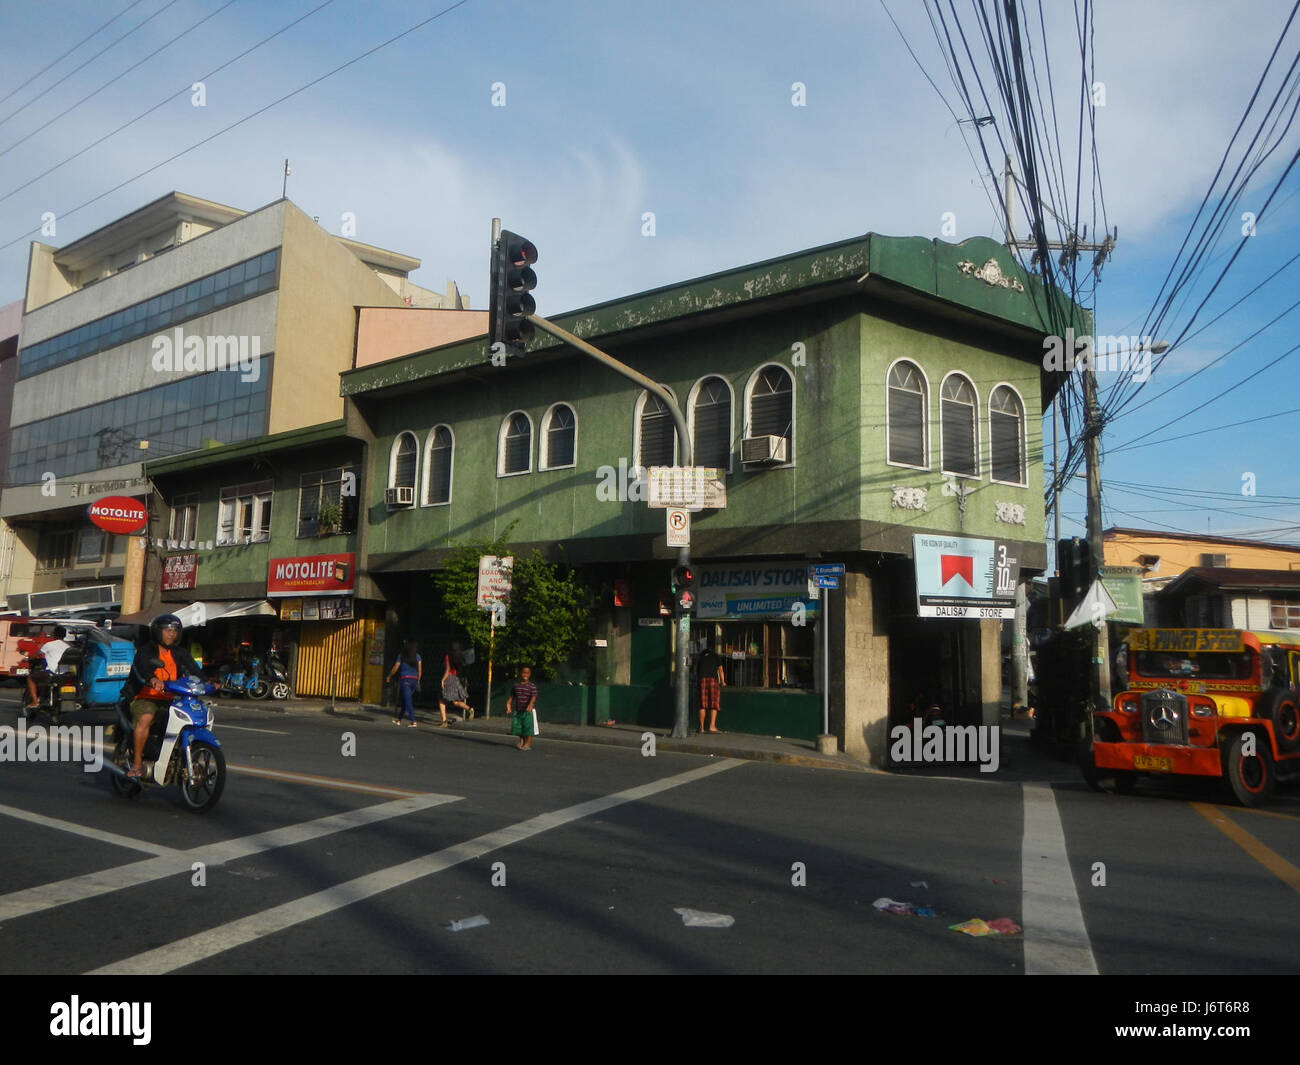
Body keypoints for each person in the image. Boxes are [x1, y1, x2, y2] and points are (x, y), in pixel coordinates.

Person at [120, 614, 203, 779]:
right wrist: (151, 679)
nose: (172, 634)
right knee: (146, 716)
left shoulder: (180, 653)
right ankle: (137, 764)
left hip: (171, 699)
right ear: (158, 632)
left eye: (175, 630)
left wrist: (210, 682)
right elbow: (142, 668)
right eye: (168, 630)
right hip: (144, 697)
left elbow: (194, 669)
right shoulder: (146, 650)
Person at [25, 625, 71, 710]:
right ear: (64, 635)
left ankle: (35, 702)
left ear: (54, 634)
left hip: (52, 673)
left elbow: (36, 655)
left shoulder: (49, 645)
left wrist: (27, 658)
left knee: (31, 678)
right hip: (66, 674)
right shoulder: (69, 646)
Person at [387, 640, 422, 727]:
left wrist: (389, 676)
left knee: (407, 701)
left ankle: (413, 721)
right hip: (414, 680)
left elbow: (395, 667)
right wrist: (418, 680)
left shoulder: (401, 656)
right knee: (406, 700)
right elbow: (420, 671)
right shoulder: (417, 656)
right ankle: (398, 720)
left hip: (405, 680)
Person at [439, 639, 473, 726]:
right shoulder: (458, 656)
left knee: (442, 701)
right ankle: (469, 709)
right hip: (456, 678)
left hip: (449, 679)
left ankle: (444, 721)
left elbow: (447, 670)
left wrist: (443, 680)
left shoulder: (448, 656)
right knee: (455, 702)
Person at [506, 665, 538, 751]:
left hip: (528, 711)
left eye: (527, 673)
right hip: (518, 710)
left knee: (528, 728)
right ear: (520, 673)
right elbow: (512, 696)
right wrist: (508, 705)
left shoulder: (532, 686)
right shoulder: (516, 685)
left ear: (530, 674)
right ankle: (521, 741)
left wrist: (530, 704)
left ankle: (527, 744)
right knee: (519, 727)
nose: (525, 674)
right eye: (524, 672)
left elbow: (534, 696)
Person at [697, 645, 725, 733]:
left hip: (702, 680)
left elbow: (697, 671)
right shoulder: (716, 656)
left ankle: (701, 728)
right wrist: (723, 682)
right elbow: (720, 669)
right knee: (714, 703)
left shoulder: (701, 657)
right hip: (713, 680)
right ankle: (712, 726)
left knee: (702, 704)